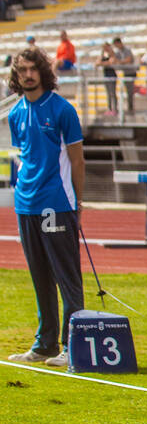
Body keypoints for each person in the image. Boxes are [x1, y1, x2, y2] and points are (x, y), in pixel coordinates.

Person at [5, 47, 85, 368]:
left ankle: (73, 344)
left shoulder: (63, 110)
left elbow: (77, 160)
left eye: (32, 69)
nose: (27, 74)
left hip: (57, 203)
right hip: (26, 204)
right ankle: (45, 344)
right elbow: (24, 158)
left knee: (66, 276)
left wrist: (79, 203)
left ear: (42, 72)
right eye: (22, 69)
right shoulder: (15, 114)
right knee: (39, 275)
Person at [111, 37, 137, 116]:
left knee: (130, 92)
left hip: (131, 72)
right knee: (127, 91)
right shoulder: (118, 52)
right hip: (125, 73)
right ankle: (129, 108)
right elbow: (114, 60)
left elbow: (128, 60)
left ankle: (131, 108)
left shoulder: (127, 50)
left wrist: (120, 62)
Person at [96, 42, 118, 117]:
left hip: (112, 75)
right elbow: (97, 62)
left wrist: (102, 63)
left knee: (113, 93)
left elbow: (111, 62)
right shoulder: (103, 54)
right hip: (106, 75)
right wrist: (103, 62)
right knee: (108, 93)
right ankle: (109, 109)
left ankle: (115, 109)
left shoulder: (112, 54)